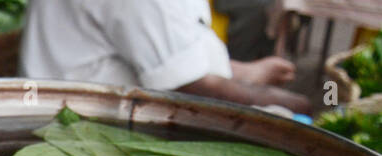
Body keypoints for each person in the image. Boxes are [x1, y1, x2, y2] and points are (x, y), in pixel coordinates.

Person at [20, 0, 313, 114]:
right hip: (85, 124)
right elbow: (193, 83)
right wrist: (300, 107)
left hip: (91, 102)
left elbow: (170, 50)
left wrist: (247, 72)